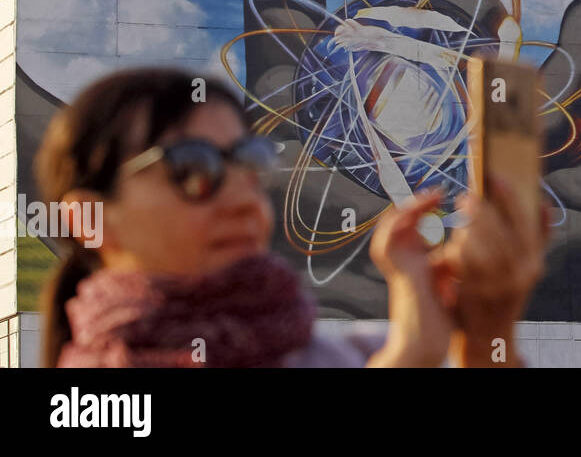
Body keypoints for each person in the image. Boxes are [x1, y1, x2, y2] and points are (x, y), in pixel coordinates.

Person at [35, 66, 548, 368]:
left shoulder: (343, 351)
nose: (244, 201)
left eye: (248, 165)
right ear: (89, 219)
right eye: (194, 170)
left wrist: (485, 331)